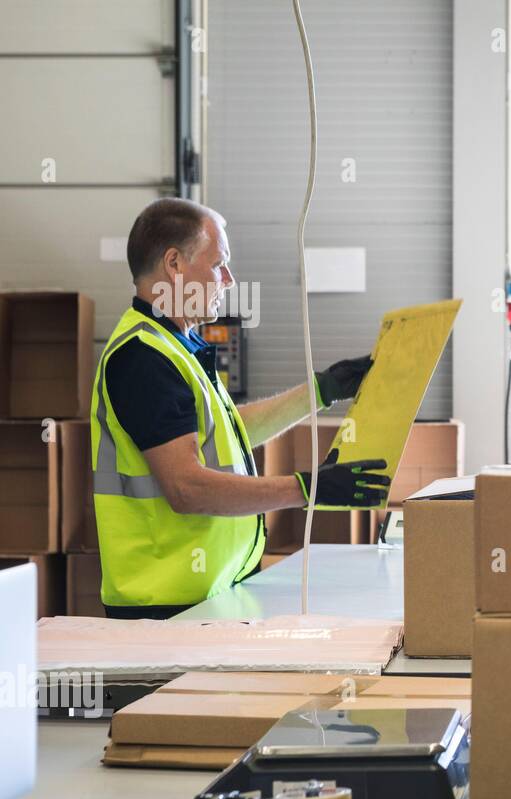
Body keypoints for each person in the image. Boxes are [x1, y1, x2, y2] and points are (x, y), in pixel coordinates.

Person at [91, 197, 390, 619]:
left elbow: (229, 433)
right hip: (165, 612)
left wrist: (323, 390)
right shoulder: (143, 357)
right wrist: (305, 489)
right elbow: (187, 488)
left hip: (207, 597)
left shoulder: (176, 346)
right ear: (174, 265)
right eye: (218, 264)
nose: (229, 280)